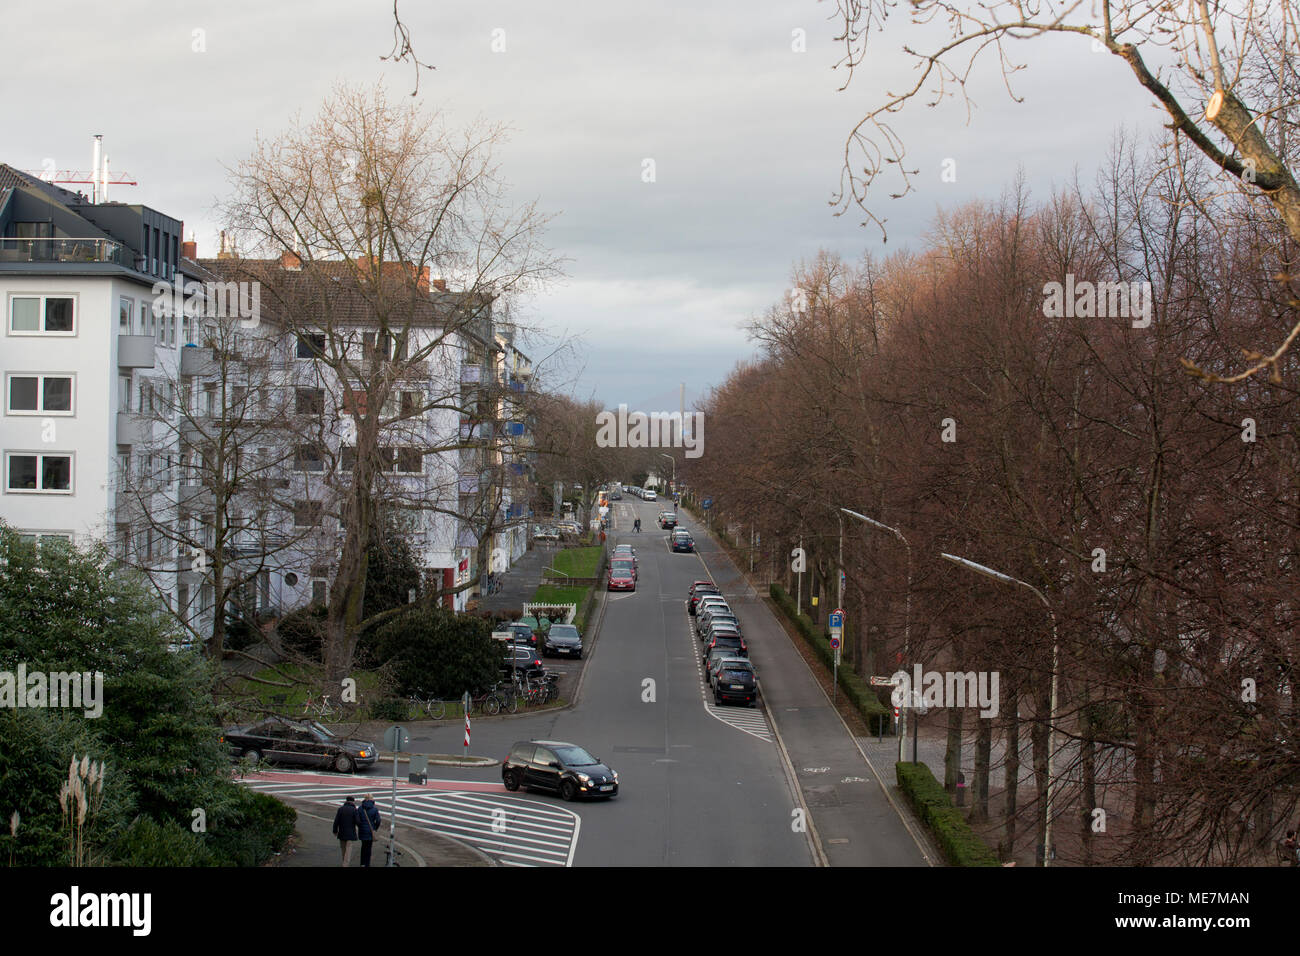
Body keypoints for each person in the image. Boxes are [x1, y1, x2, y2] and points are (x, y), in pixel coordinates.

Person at [332, 795, 359, 866]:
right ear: (353, 802)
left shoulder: (341, 809)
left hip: (342, 832)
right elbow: (358, 821)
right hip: (351, 833)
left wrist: (335, 831)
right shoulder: (354, 810)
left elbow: (336, 821)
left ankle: (344, 862)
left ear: (346, 801)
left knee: (343, 848)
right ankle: (345, 864)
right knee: (348, 849)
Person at [357, 794, 382, 867]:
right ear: (372, 799)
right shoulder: (374, 809)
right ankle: (367, 864)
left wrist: (360, 826)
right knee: (368, 848)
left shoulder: (360, 808)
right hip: (370, 831)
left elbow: (357, 820)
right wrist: (375, 828)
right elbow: (378, 820)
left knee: (363, 847)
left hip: (362, 830)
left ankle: (362, 863)